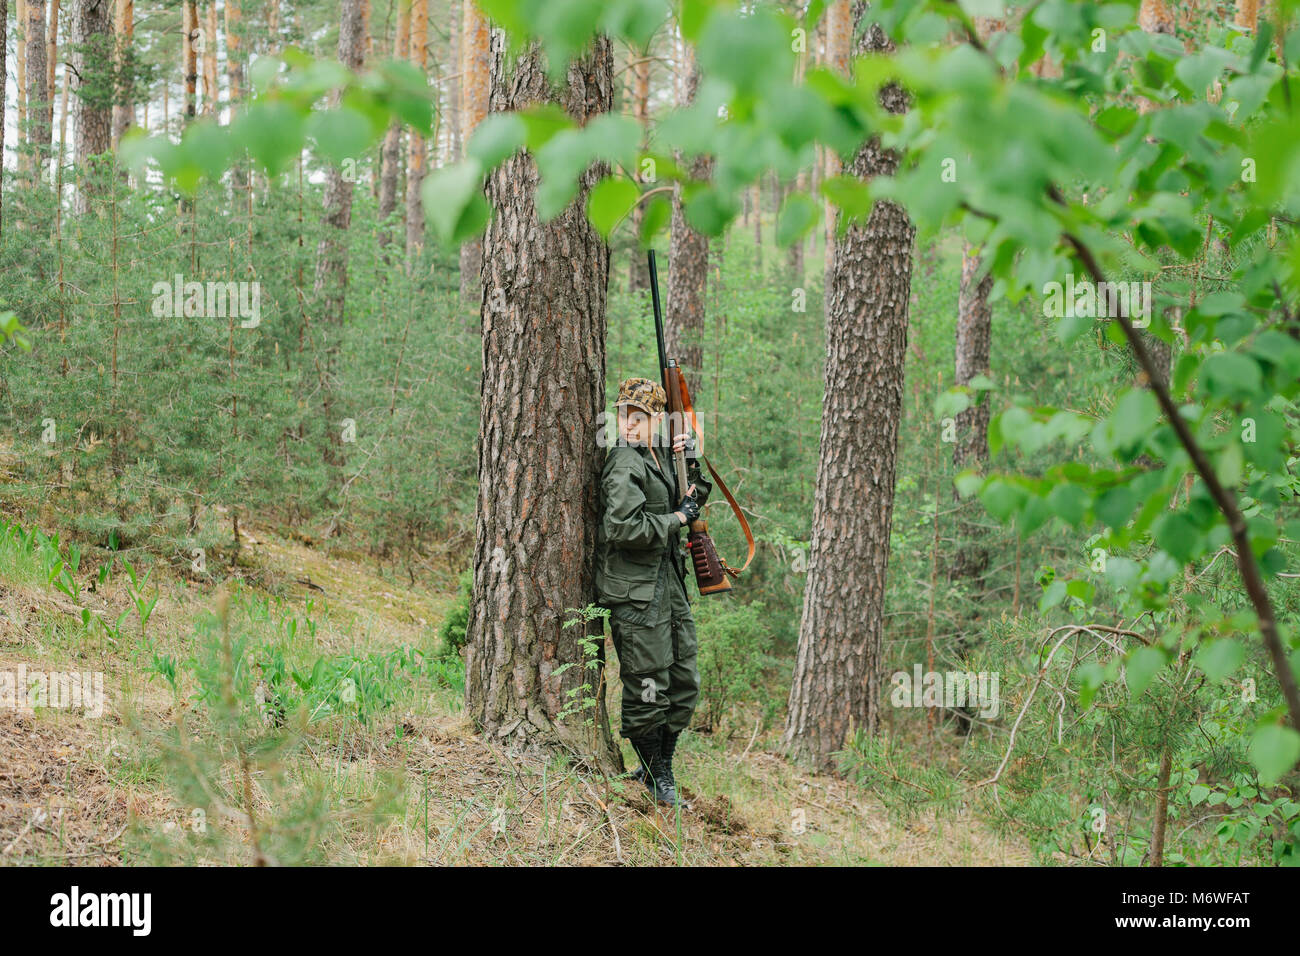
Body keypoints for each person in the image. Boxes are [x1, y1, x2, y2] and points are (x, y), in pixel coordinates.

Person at [595, 377, 711, 807]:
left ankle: (656, 766)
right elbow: (623, 529)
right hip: (635, 591)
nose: (628, 424)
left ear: (657, 420)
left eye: (639, 417)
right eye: (624, 415)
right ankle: (659, 776)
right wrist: (677, 520)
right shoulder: (625, 462)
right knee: (647, 683)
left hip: (668, 585)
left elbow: (696, 495)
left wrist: (691, 457)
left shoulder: (661, 453)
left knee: (683, 680)